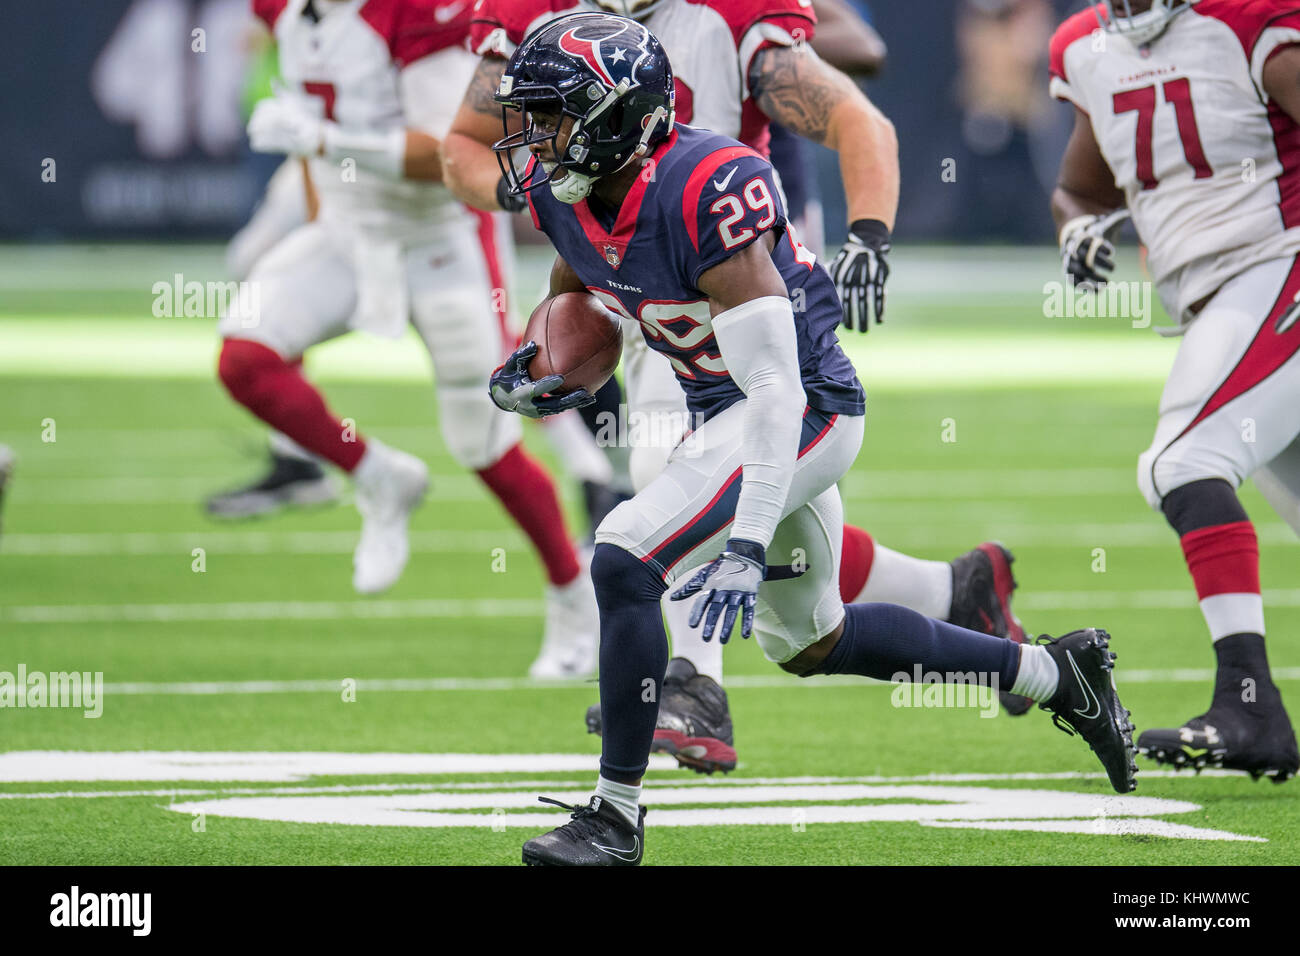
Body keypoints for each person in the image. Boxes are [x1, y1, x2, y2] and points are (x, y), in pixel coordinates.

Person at [487, 11, 1138, 864]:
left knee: (622, 554)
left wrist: (748, 541)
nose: (535, 137)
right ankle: (1061, 674)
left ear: (617, 118)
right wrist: (548, 359)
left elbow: (774, 388)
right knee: (810, 640)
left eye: (556, 116)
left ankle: (613, 817)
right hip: (723, 408)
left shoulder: (707, 186)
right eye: (530, 116)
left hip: (805, 412)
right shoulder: (560, 191)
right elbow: (585, 295)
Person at [216, 0, 598, 677]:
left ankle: (574, 596)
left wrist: (327, 142)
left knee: (484, 443)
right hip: (347, 231)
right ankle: (378, 476)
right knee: (246, 358)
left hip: (439, 241)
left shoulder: (415, 12)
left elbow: (450, 151)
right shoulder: (283, 9)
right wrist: (317, 194)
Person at [1048, 0, 1299, 780]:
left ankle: (1249, 704)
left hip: (1279, 261)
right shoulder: (1084, 46)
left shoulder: (1249, 19)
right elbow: (1081, 188)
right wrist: (1079, 228)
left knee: (1182, 462)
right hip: (1213, 299)